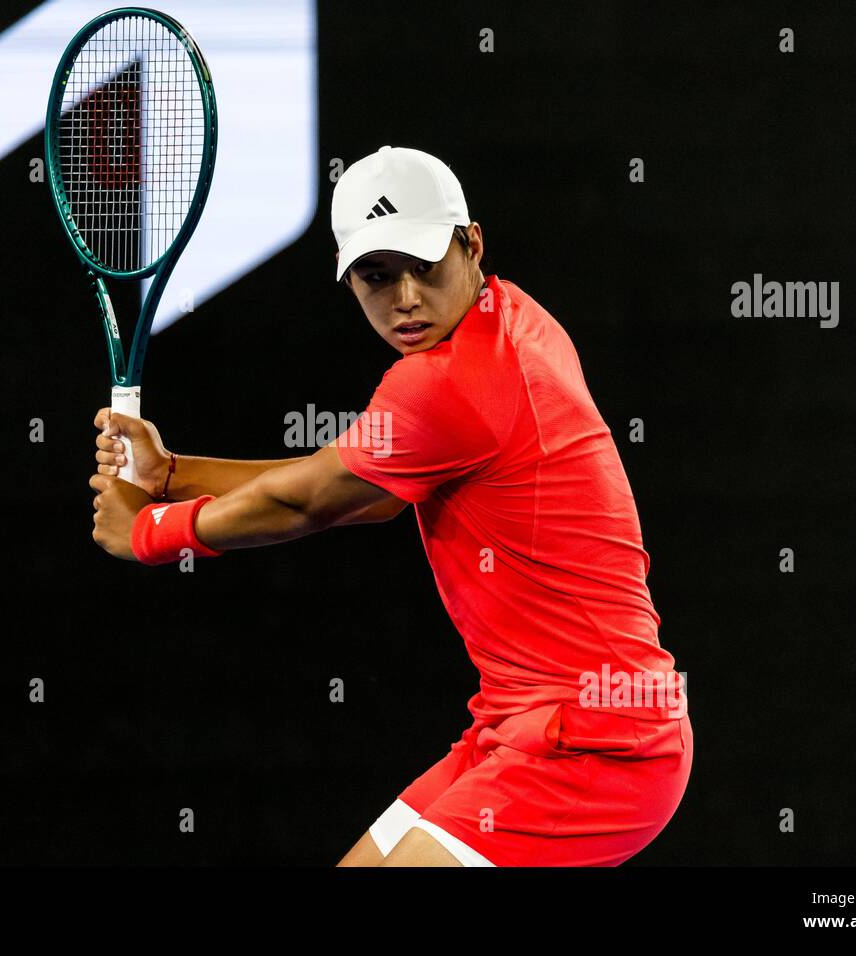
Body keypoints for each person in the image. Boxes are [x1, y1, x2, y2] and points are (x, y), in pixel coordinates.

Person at [88, 145, 693, 867]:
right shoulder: (512, 318)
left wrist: (150, 531)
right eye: (377, 276)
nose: (404, 298)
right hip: (524, 724)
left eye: (423, 267)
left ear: (471, 245)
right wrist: (175, 474)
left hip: (600, 747)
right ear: (349, 282)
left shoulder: (450, 383)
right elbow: (360, 491)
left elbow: (307, 502)